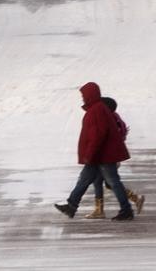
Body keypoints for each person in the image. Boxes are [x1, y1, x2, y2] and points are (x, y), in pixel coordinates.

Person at [54, 82, 135, 221]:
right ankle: (71, 206)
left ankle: (126, 210)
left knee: (113, 182)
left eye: (84, 95)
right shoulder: (97, 109)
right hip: (100, 155)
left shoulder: (96, 110)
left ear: (90, 95)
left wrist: (89, 155)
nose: (83, 98)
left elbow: (97, 136)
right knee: (84, 180)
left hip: (103, 155)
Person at [84, 96, 144, 219]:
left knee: (108, 183)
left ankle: (100, 210)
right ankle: (133, 199)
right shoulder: (115, 118)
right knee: (105, 183)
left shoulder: (110, 119)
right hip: (111, 156)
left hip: (108, 157)